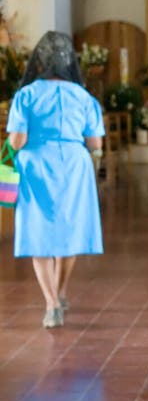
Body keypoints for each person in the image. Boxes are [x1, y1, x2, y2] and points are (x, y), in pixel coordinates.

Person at [7, 31, 104, 328]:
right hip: (74, 166)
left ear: (39, 62)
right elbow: (95, 144)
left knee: (39, 235)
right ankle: (60, 292)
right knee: (69, 231)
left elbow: (18, 141)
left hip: (36, 166)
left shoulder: (26, 95)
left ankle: (50, 305)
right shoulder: (84, 96)